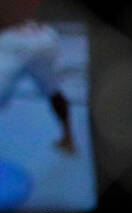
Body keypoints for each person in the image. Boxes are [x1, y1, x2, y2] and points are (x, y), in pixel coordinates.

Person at [0, 3, 76, 153]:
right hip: (41, 37)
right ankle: (68, 138)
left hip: (19, 40)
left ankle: (68, 139)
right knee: (53, 89)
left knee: (53, 90)